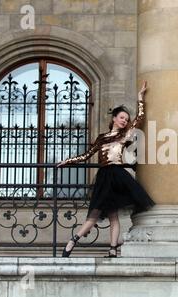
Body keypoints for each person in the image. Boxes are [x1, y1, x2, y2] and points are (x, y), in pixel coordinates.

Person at [57, 81, 155, 258]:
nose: (125, 120)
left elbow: (140, 119)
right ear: (114, 119)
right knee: (94, 214)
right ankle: (73, 240)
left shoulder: (125, 135)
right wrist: (68, 161)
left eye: (126, 119)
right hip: (104, 177)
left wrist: (140, 98)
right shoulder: (101, 138)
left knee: (113, 216)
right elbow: (86, 155)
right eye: (122, 118)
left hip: (117, 176)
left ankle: (112, 249)